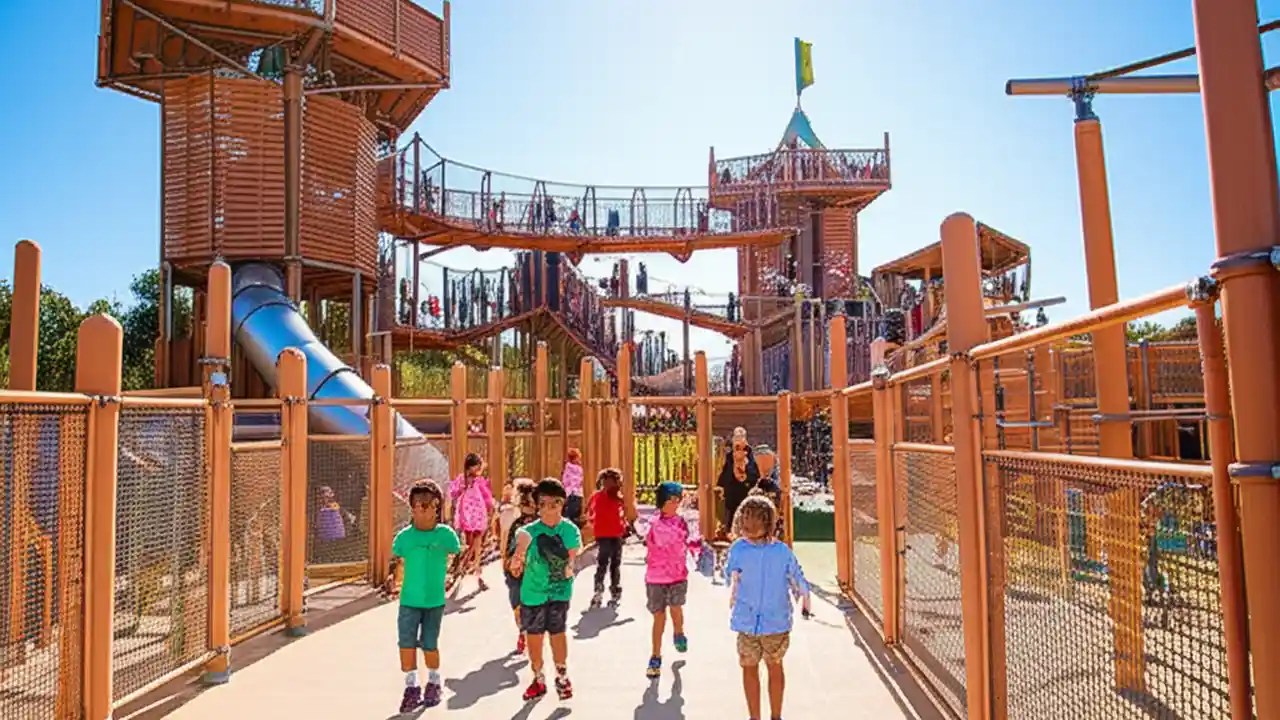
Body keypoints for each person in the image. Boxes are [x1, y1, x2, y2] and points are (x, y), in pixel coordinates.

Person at [724, 495, 812, 720]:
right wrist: (803, 594)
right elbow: (797, 575)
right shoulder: (780, 551)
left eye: (750, 519)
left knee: (756, 668)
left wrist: (804, 596)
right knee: (768, 667)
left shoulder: (740, 549)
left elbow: (730, 575)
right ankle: (769, 716)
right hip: (769, 622)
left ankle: (764, 716)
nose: (747, 524)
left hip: (758, 622)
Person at [384, 480, 461, 712]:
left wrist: (453, 576)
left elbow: (457, 555)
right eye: (415, 505)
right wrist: (391, 580)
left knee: (429, 643)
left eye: (425, 505)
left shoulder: (445, 535)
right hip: (409, 600)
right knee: (406, 643)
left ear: (437, 507)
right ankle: (411, 685)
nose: (420, 510)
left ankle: (434, 681)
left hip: (434, 601)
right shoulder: (405, 536)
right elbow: (396, 561)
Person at [510, 478, 582, 701]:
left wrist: (569, 565)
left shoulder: (568, 529)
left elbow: (572, 554)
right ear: (537, 506)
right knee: (534, 637)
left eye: (555, 504)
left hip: (559, 592)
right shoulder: (528, 530)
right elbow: (522, 541)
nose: (550, 510)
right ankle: (538, 677)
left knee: (557, 634)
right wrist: (518, 558)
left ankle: (562, 675)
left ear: (563, 505)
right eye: (544, 504)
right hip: (533, 593)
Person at [644, 482, 697, 679]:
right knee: (659, 616)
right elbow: (646, 535)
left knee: (676, 609)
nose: (675, 504)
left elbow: (690, 541)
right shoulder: (652, 523)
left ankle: (678, 632)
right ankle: (655, 655)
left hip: (677, 575)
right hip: (656, 577)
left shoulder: (681, 522)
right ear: (662, 502)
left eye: (678, 500)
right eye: (671, 500)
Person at [500, 478, 539, 656]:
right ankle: (523, 631)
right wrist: (507, 564)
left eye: (529, 502)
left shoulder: (542, 526)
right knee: (517, 605)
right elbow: (508, 546)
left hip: (535, 571)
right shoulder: (516, 524)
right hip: (515, 571)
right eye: (523, 501)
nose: (526, 506)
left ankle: (530, 632)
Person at [449, 453, 495, 592]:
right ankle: (464, 569)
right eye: (477, 466)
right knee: (470, 544)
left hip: (478, 515)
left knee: (477, 543)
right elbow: (453, 492)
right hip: (466, 514)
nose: (479, 469)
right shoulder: (461, 479)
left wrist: (490, 508)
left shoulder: (479, 480)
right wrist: (462, 487)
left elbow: (486, 495)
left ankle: (476, 571)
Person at [587, 467, 627, 608]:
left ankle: (598, 589)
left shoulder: (596, 496)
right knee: (615, 564)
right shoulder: (619, 498)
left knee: (602, 563)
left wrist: (593, 524)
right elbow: (622, 517)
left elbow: (589, 514)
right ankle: (615, 590)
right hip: (616, 535)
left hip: (602, 534)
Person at [716, 427, 760, 538]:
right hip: (731, 495)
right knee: (730, 521)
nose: (739, 444)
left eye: (741, 439)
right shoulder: (729, 456)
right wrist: (720, 486)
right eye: (736, 439)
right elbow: (725, 473)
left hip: (745, 493)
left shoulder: (751, 456)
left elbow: (755, 475)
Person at [562, 448, 585, 525]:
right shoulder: (577, 468)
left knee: (570, 515)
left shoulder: (567, 468)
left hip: (570, 493)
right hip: (575, 494)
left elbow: (565, 481)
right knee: (574, 515)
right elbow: (576, 481)